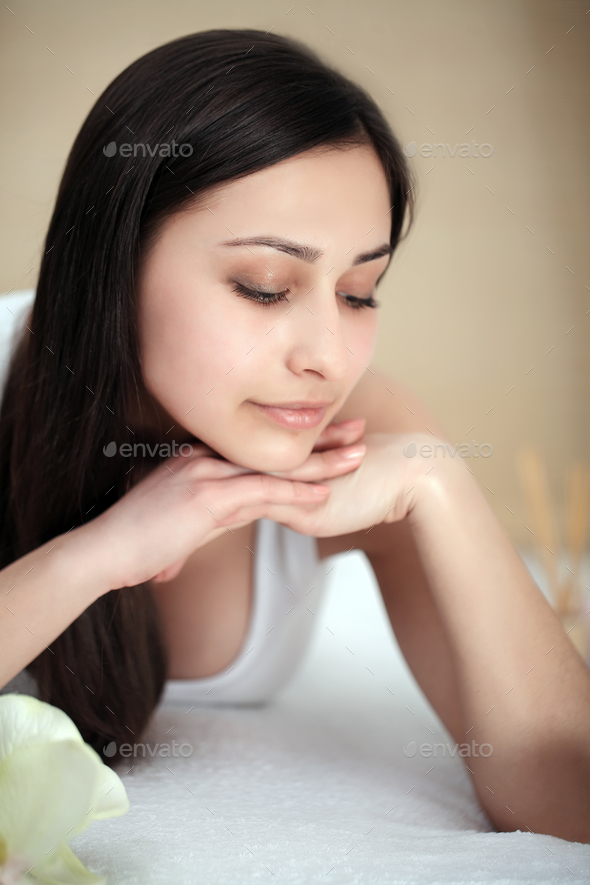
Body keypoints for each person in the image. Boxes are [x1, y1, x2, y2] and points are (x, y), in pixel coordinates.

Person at [0, 28, 588, 844]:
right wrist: (98, 554)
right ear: (114, 263)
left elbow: (570, 801)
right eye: (265, 286)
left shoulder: (365, 432)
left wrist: (442, 482)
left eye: (359, 292)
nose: (326, 358)